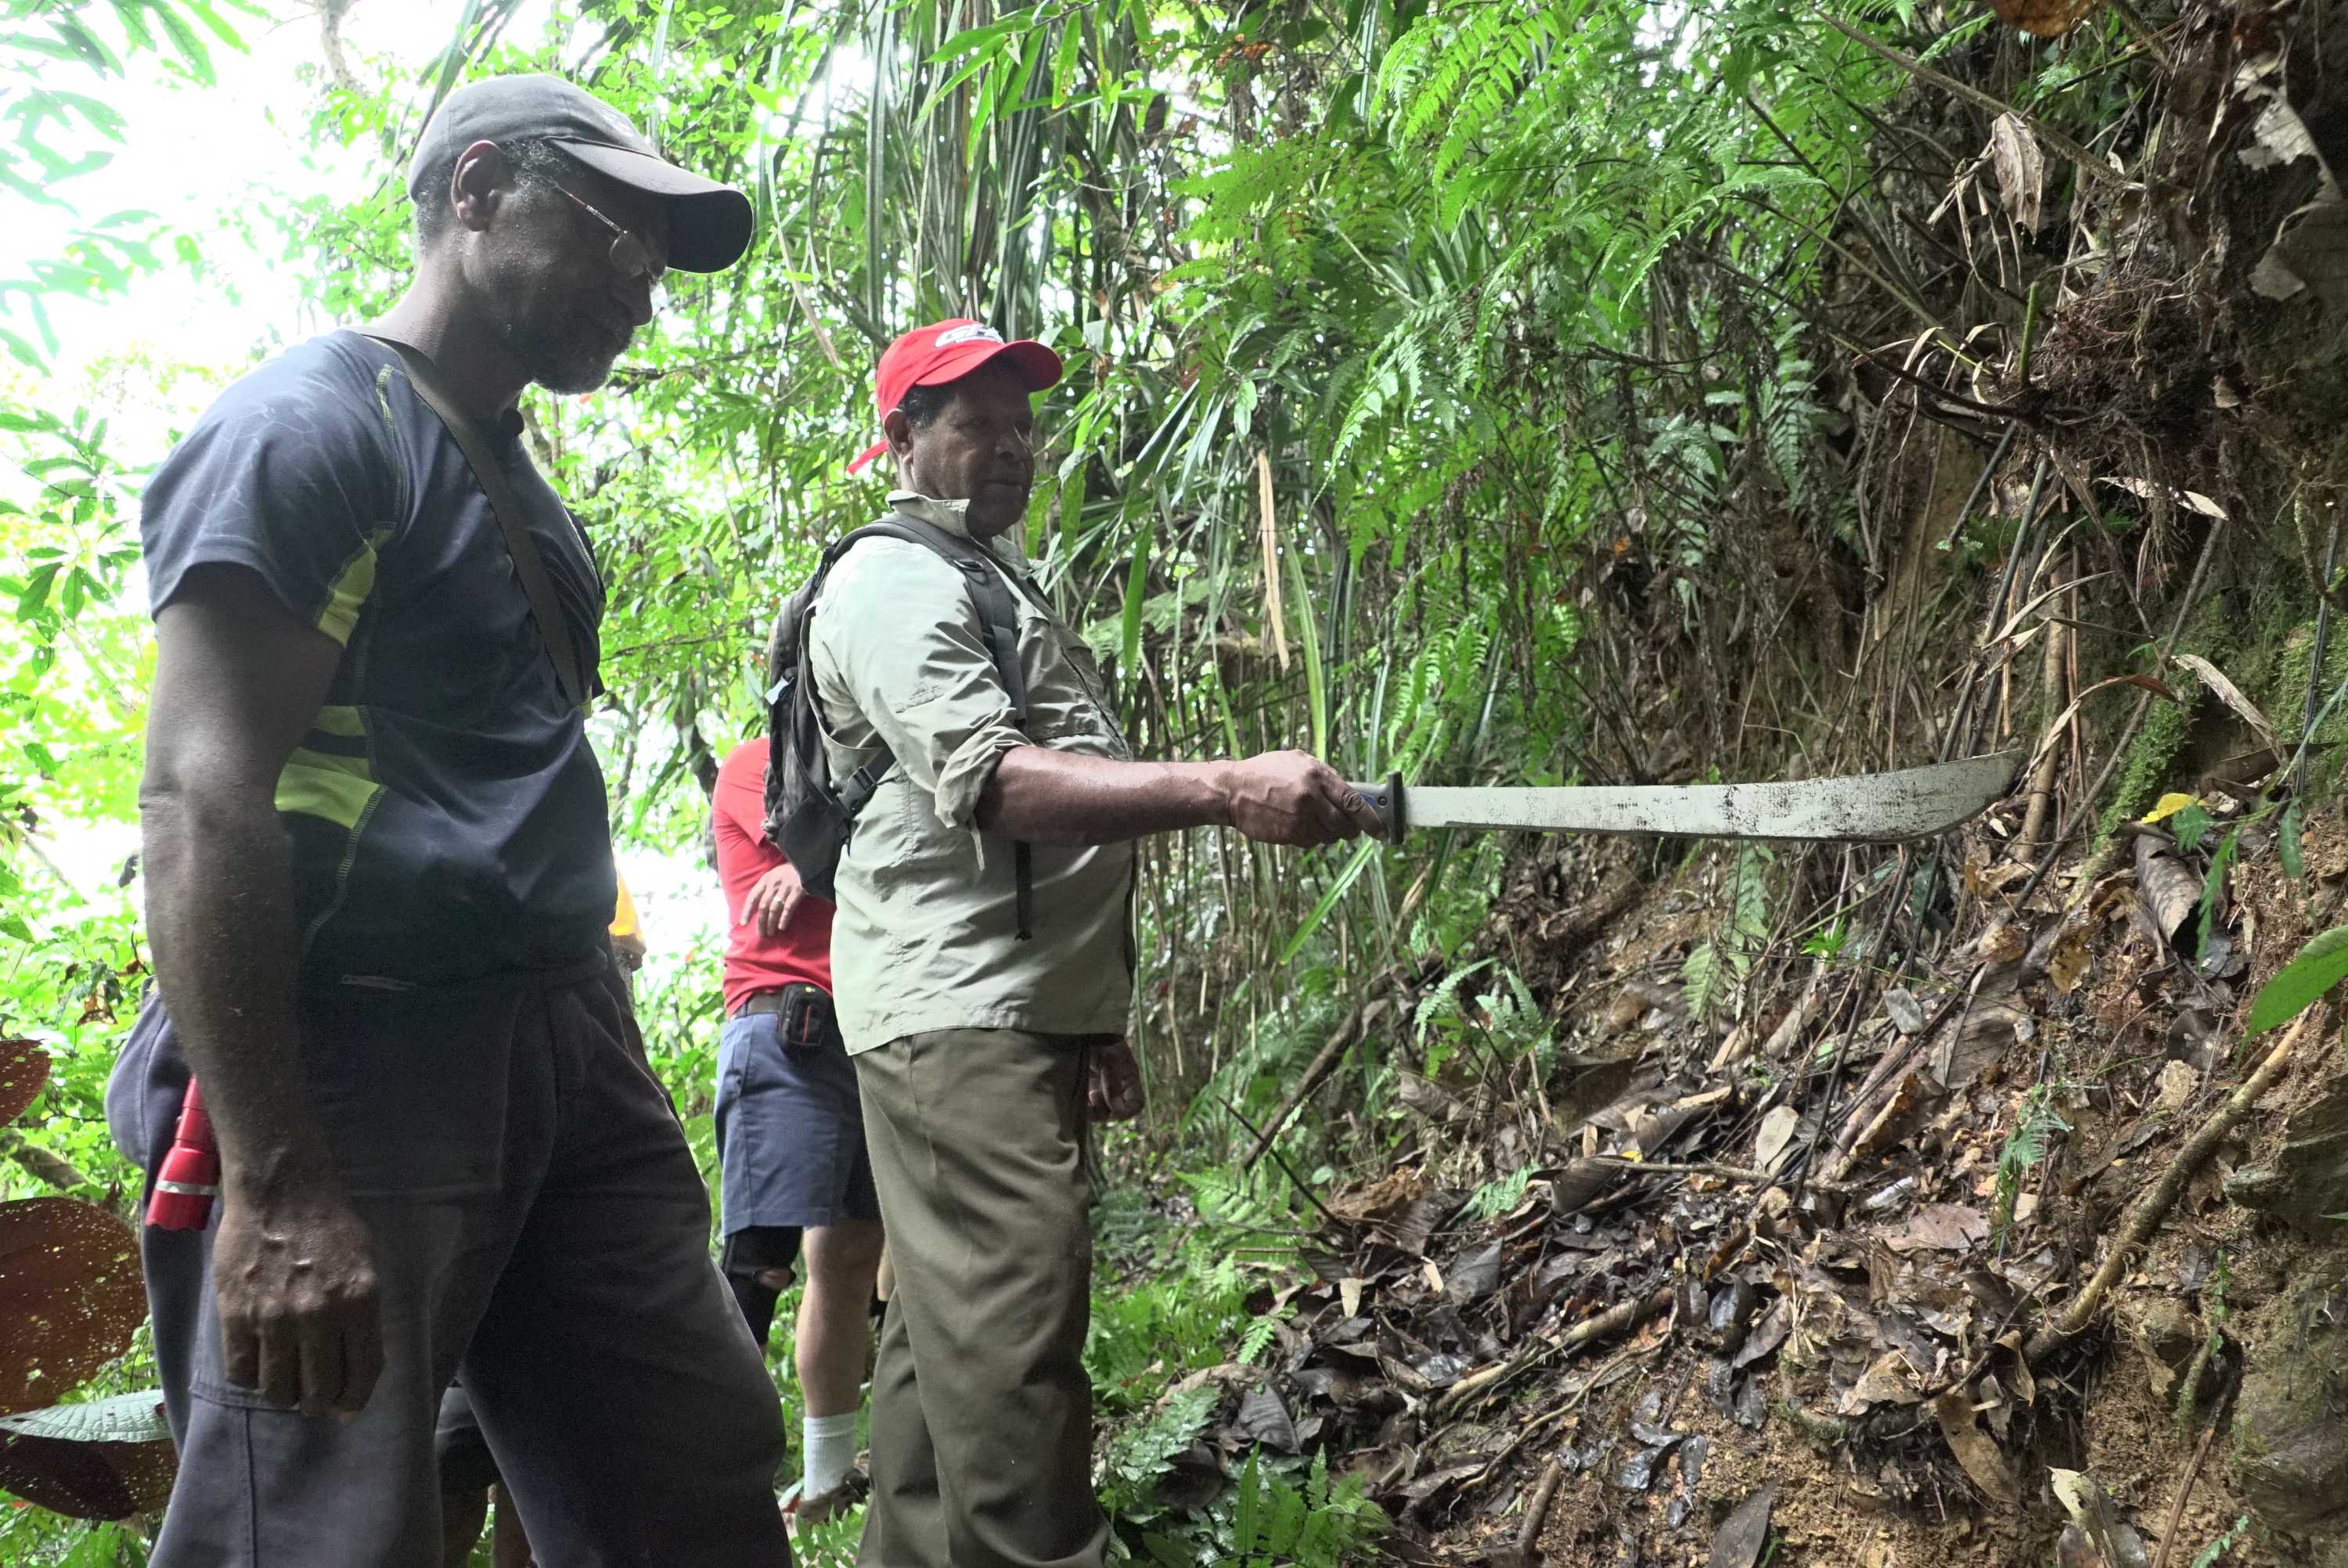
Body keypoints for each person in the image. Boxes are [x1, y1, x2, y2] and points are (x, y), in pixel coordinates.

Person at [106, 74, 790, 1567]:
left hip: (556, 1043)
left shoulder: (527, 491)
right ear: (476, 191)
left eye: (656, 267)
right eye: (616, 237)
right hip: (349, 1058)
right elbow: (200, 795)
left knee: (690, 1471)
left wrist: (594, 1027)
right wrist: (280, 1181)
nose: (641, 291)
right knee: (322, 1522)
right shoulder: (310, 429)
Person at [809, 318, 1383, 1568]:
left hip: (1000, 1007)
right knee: (1014, 1341)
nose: (1010, 445)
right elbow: (998, 787)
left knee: (941, 1347)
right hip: (953, 1013)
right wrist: (1229, 788)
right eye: (974, 421)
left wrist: (1093, 1011)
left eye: (1021, 423)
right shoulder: (892, 579)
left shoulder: (988, 576)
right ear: (902, 441)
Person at [710, 730, 885, 1527]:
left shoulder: (870, 776)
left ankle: (823, 1483)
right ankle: (709, 1496)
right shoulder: (763, 765)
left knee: (850, 1255)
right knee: (757, 1264)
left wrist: (813, 868)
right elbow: (829, 844)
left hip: (872, 1030)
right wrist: (810, 862)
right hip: (787, 1027)